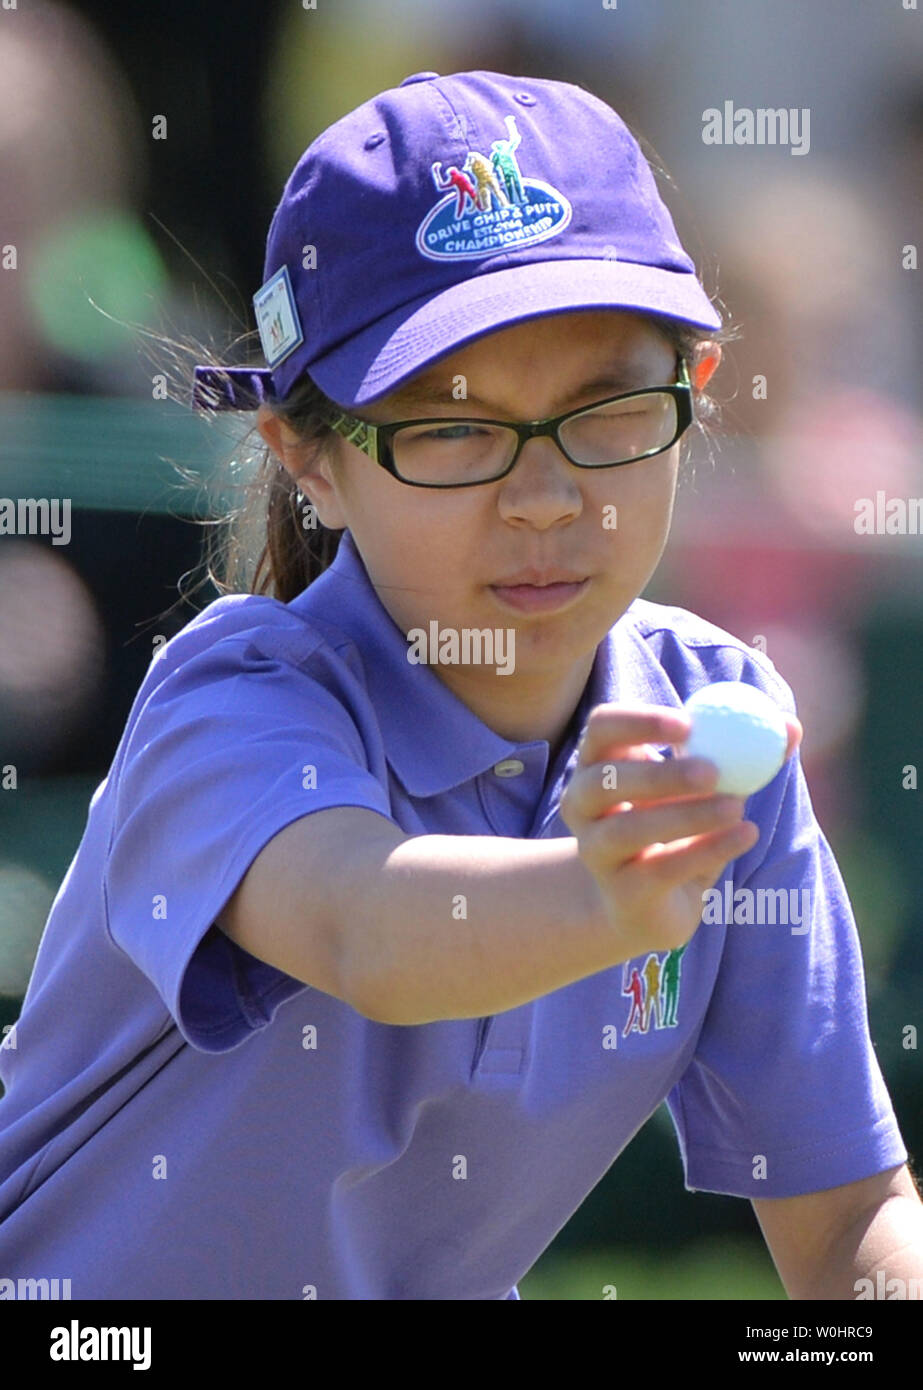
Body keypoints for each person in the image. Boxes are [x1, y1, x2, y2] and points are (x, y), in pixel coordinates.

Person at [0, 69, 918, 1303]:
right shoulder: (231, 697)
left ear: (693, 398)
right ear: (309, 459)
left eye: (603, 412)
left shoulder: (715, 724)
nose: (544, 497)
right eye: (451, 428)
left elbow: (850, 1215)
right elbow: (368, 926)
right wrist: (597, 893)